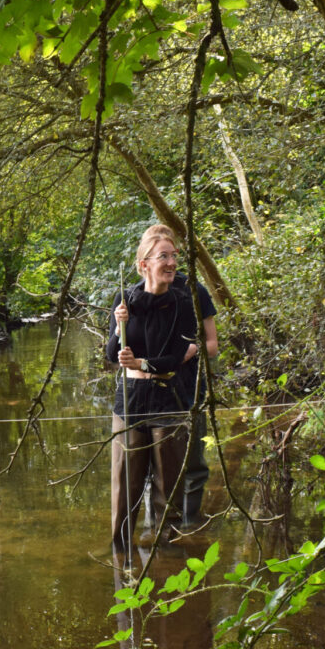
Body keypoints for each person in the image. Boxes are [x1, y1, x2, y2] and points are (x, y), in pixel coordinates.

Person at [105, 224, 218, 546]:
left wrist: (150, 364)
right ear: (144, 262)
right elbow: (113, 353)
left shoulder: (188, 296)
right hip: (131, 398)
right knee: (125, 484)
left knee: (175, 481)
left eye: (174, 255)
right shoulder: (126, 298)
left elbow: (195, 348)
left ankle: (168, 551)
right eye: (163, 255)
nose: (171, 261)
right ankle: (121, 559)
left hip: (176, 394)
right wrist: (118, 327)